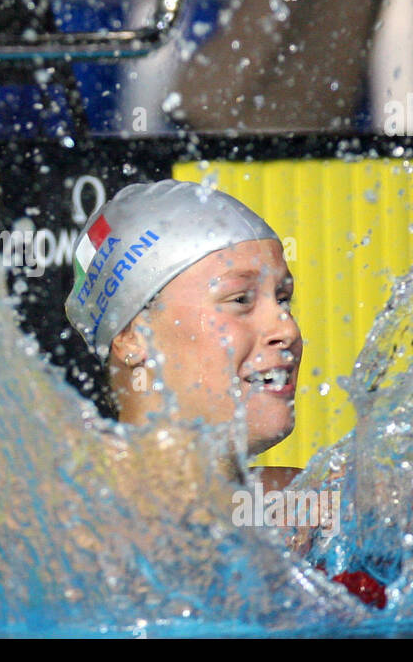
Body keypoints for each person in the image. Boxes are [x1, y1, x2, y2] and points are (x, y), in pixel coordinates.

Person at [65, 179, 302, 492]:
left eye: (283, 298)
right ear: (131, 336)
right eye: (241, 299)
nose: (287, 329)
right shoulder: (63, 524)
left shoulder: (312, 506)